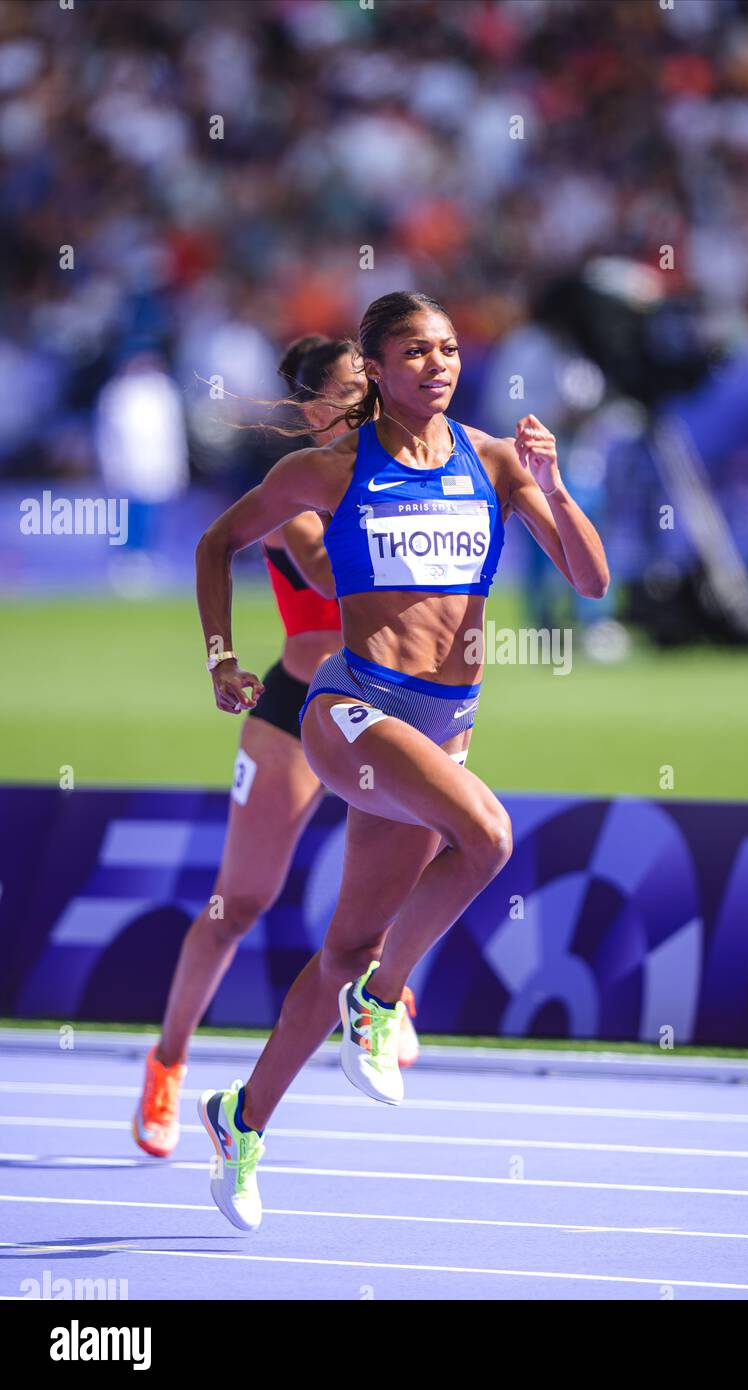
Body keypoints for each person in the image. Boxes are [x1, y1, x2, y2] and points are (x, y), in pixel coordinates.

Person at [193, 291, 609, 1229]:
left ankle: (241, 1119)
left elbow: (589, 580)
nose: (438, 363)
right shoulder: (331, 471)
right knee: (489, 834)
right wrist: (220, 656)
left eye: (450, 348)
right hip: (349, 712)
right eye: (414, 351)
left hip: (441, 727)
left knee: (342, 948)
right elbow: (219, 540)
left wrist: (556, 481)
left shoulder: (495, 462)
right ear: (374, 370)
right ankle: (383, 1005)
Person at [132, 335, 419, 1159]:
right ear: (311, 409)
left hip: (386, 707)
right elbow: (331, 576)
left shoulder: (410, 467)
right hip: (297, 709)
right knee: (241, 901)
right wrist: (219, 656)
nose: (367, 398)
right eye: (347, 390)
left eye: (373, 383)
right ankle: (169, 1061)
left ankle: (387, 995)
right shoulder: (298, 493)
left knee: (427, 849)